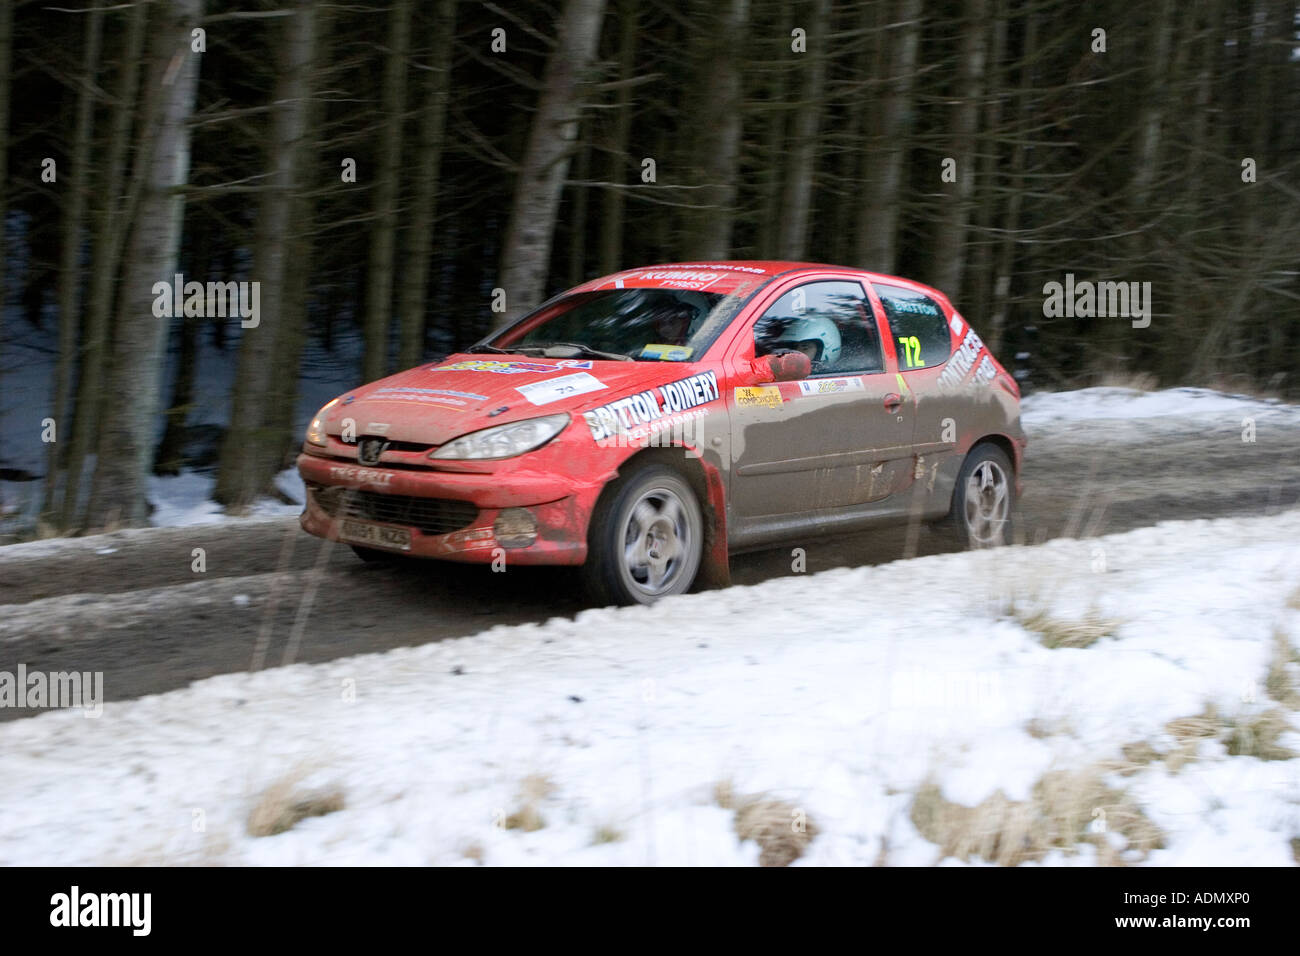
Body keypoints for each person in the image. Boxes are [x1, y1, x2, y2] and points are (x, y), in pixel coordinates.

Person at [755, 313, 842, 371]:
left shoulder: (833, 375)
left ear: (826, 349)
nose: (797, 352)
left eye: (805, 347)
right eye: (794, 346)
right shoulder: (787, 371)